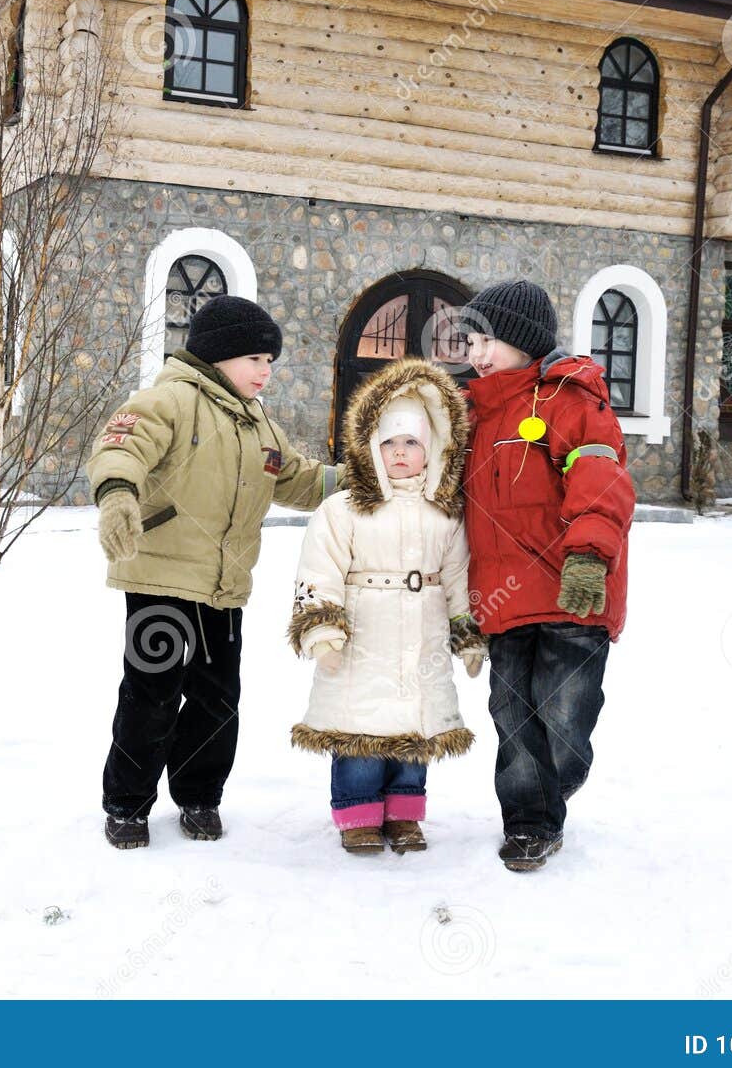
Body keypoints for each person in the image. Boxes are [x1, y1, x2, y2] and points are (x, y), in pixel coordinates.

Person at [88, 295, 340, 849]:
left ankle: (199, 796)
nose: (266, 371)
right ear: (219, 355)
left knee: (217, 699)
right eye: (255, 359)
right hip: (161, 580)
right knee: (151, 693)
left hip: (224, 587)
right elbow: (121, 447)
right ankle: (127, 804)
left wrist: (358, 480)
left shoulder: (258, 423)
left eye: (270, 361)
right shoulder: (169, 399)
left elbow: (298, 479)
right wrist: (118, 493)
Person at [459, 279, 635, 872]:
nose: (477, 354)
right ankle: (531, 821)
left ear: (525, 340)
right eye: (470, 342)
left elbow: (601, 481)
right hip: (503, 598)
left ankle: (558, 777)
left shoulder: (569, 399)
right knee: (512, 715)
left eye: (488, 340)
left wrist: (588, 555)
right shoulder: (475, 415)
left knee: (563, 715)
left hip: (572, 590)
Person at [287, 358, 486, 854]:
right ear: (371, 446)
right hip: (362, 637)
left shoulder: (446, 514)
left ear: (433, 449)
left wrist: (467, 634)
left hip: (424, 635)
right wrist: (321, 630)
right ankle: (357, 813)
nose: (400, 452)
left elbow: (460, 575)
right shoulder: (343, 508)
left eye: (412, 443)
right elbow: (319, 569)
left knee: (414, 726)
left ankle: (404, 813)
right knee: (360, 724)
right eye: (389, 442)